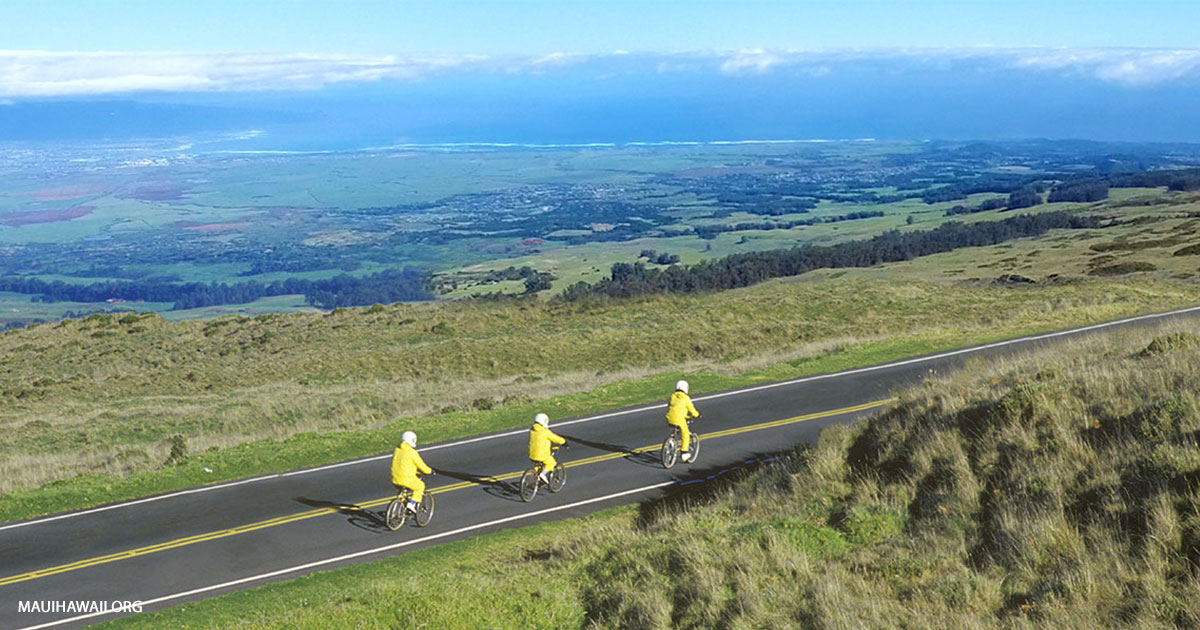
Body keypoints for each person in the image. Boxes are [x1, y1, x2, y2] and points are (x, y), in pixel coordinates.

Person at [391, 431, 432, 513]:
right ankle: (411, 504)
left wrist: (415, 472)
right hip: (406, 479)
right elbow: (421, 465)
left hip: (395, 478)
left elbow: (404, 464)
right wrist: (429, 471)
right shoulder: (412, 452)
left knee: (402, 491)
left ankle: (398, 505)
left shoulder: (397, 450)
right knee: (420, 486)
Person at [666, 380, 700, 462]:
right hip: (679, 419)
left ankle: (672, 441)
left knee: (675, 427)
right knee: (685, 434)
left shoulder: (672, 396)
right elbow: (692, 410)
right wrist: (697, 415)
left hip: (669, 417)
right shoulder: (685, 398)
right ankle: (684, 452)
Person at [528, 413, 566, 483]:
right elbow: (555, 438)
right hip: (542, 455)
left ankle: (537, 479)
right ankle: (542, 474)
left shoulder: (532, 430)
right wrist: (564, 442)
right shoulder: (545, 432)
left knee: (537, 466)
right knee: (552, 463)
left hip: (532, 454)